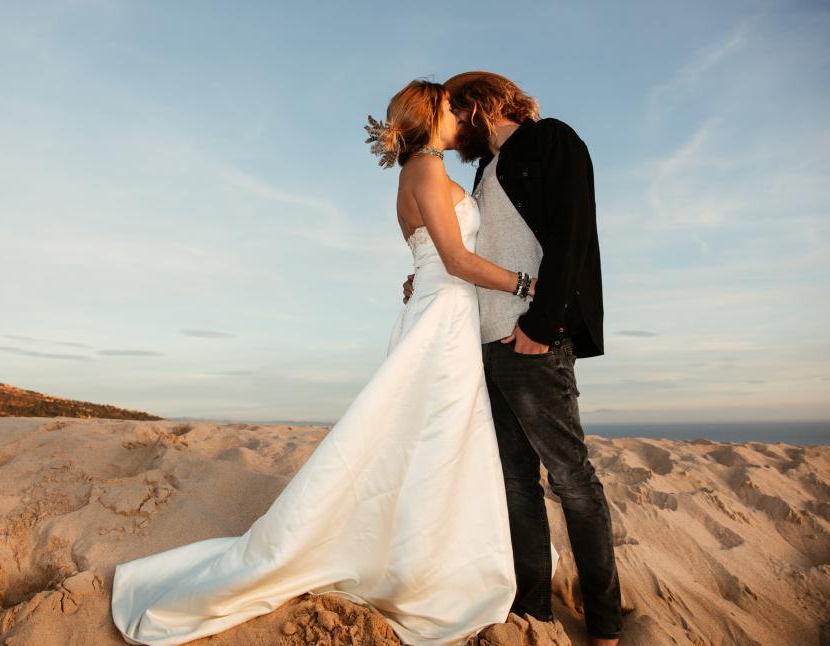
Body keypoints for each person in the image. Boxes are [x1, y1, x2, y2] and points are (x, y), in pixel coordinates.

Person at [109, 79, 560, 646]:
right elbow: (455, 258)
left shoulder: (424, 171)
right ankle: (423, 567)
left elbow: (431, 256)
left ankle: (435, 554)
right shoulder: (423, 168)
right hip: (442, 321)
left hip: (443, 312)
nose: (457, 113)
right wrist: (526, 283)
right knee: (435, 440)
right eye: (449, 105)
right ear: (431, 112)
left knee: (438, 443)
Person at [403, 71, 623, 644]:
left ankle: (603, 623)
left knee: (572, 481)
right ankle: (534, 605)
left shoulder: (552, 140)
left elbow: (573, 237)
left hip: (532, 345)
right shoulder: (484, 170)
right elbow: (471, 250)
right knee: (515, 483)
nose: (448, 125)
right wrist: (423, 275)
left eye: (454, 108)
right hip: (483, 350)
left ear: (480, 104)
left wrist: (541, 327)